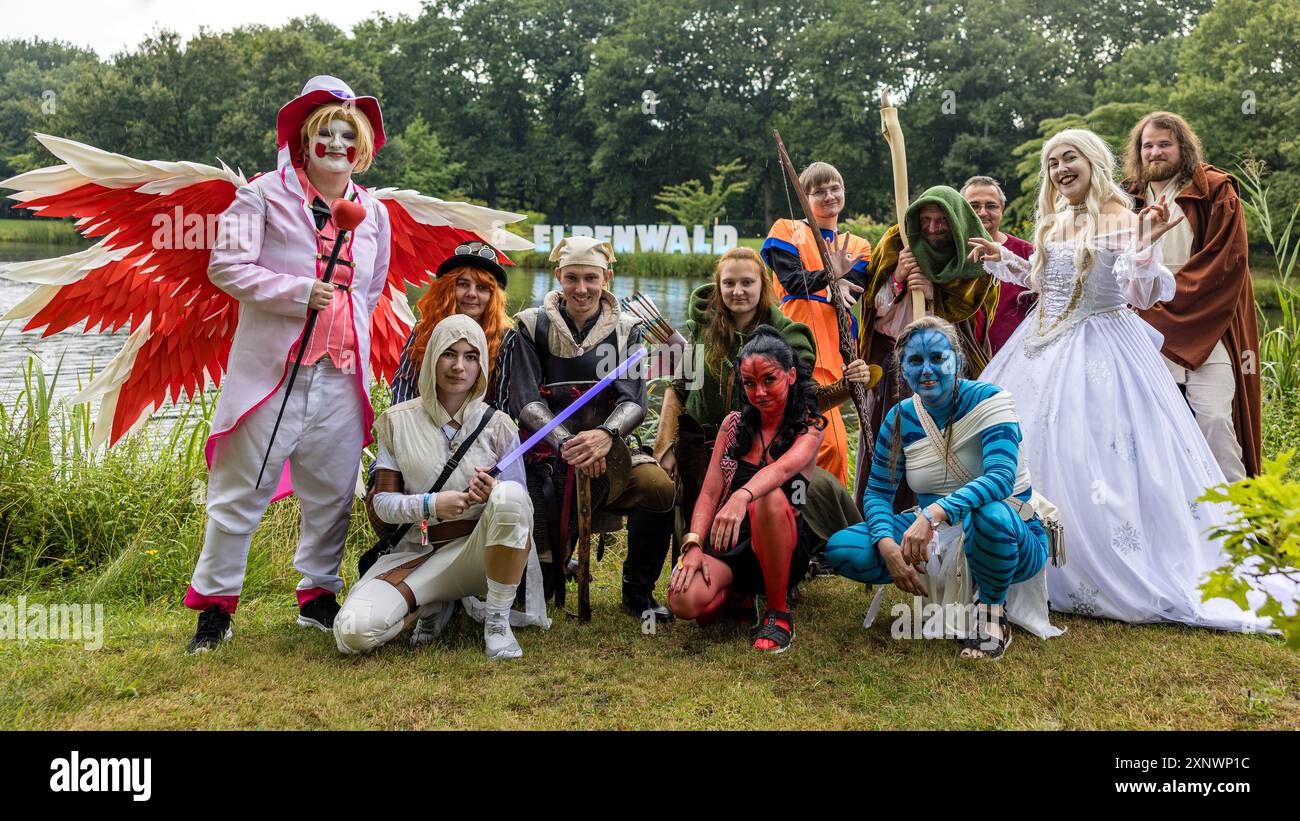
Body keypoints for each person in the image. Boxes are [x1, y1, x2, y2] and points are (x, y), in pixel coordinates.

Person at [967, 127, 1278, 631]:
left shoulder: (1120, 216)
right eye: (1052, 163)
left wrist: (1144, 246)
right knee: (1027, 441)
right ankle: (1019, 553)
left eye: (1070, 158)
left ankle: (1103, 561)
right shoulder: (1054, 221)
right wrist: (1005, 260)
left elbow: (1139, 289)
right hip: (1039, 346)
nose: (1060, 169)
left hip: (1103, 348)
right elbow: (1044, 281)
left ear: (1092, 161)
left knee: (1102, 454)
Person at [184, 76, 393, 652]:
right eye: (325, 132)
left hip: (339, 374)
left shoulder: (374, 212)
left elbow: (369, 291)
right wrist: (299, 291)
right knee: (239, 491)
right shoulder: (261, 196)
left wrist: (343, 333)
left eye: (348, 135)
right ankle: (216, 608)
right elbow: (226, 267)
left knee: (332, 492)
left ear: (362, 146)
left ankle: (319, 596)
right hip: (272, 374)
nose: (336, 144)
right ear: (305, 139)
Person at [824, 317, 1057, 659]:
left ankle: (992, 612)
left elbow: (1000, 479)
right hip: (935, 535)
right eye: (915, 361)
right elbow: (878, 492)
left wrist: (933, 513)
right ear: (901, 368)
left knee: (989, 514)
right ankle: (944, 587)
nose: (927, 369)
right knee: (843, 548)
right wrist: (887, 546)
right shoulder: (902, 417)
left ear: (958, 360)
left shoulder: (992, 401)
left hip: (1013, 531)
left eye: (937, 358)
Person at [335, 315, 547, 659]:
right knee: (353, 633)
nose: (459, 366)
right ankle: (428, 605)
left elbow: (520, 506)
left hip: (479, 556)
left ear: (482, 364)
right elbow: (383, 503)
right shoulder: (397, 422)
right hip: (418, 554)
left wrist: (492, 489)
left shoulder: (498, 426)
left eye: (471, 356)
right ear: (432, 356)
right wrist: (430, 504)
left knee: (510, 496)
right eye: (449, 354)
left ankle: (497, 621)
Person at [652, 247, 874, 562]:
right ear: (718, 286)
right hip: (699, 449)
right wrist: (665, 447)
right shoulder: (703, 327)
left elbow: (805, 401)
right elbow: (679, 388)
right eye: (729, 283)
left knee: (785, 500)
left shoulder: (789, 336)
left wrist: (848, 386)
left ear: (763, 286)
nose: (737, 291)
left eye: (747, 282)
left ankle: (781, 561)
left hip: (762, 450)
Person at [495, 236, 676, 621]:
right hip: (544, 455)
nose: (581, 289)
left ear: (606, 278)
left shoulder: (628, 330)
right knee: (537, 588)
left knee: (659, 489)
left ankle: (637, 591)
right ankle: (541, 569)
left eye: (591, 278)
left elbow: (634, 400)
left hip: (610, 451)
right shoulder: (529, 326)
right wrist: (567, 444)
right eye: (572, 278)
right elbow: (525, 401)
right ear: (558, 275)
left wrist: (604, 437)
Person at [667, 326, 825, 653]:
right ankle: (739, 594)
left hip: (783, 544)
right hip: (729, 543)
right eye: (750, 384)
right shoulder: (734, 424)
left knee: (766, 497)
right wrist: (694, 544)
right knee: (683, 601)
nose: (760, 392)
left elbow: (782, 469)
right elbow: (710, 493)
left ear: (791, 375)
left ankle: (778, 613)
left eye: (770, 380)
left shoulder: (807, 427)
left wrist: (742, 494)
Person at [1122, 111, 1261, 481]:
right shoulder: (1126, 196)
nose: (1154, 152)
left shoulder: (1215, 190)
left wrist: (1165, 302)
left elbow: (1225, 263)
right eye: (1147, 145)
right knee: (1155, 430)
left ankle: (1242, 525)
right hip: (1144, 328)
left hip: (1205, 325)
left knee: (1215, 419)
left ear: (1182, 147)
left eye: (1164, 144)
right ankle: (1187, 528)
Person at [854, 186, 998, 506]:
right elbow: (873, 307)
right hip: (896, 362)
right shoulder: (896, 242)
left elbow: (972, 317)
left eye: (941, 221)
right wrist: (899, 278)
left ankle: (941, 515)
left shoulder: (970, 252)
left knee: (942, 439)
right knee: (890, 437)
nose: (933, 228)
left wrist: (934, 294)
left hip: (943, 365)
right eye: (927, 220)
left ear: (955, 221)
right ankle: (884, 516)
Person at [761, 161, 873, 485]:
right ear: (805, 197)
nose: (828, 195)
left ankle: (827, 523)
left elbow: (853, 289)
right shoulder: (786, 229)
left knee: (834, 449)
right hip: (794, 348)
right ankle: (786, 516)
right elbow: (794, 280)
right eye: (818, 191)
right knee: (791, 443)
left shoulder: (858, 245)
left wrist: (833, 279)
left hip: (835, 356)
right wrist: (830, 276)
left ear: (844, 192)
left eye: (834, 188)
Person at [389, 241, 512, 405]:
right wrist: (405, 427)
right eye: (463, 284)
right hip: (423, 423)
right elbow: (404, 388)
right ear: (448, 288)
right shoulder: (423, 330)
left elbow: (503, 404)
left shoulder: (506, 339)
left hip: (482, 427)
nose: (471, 294)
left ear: (493, 296)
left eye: (482, 288)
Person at [961, 176, 1036, 355]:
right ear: (961, 210)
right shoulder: (951, 253)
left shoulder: (1026, 252)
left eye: (991, 206)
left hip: (1016, 358)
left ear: (1002, 209)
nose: (982, 212)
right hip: (963, 361)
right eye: (974, 206)